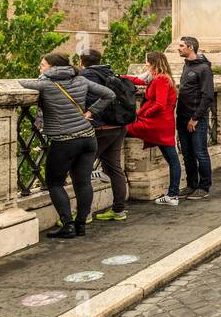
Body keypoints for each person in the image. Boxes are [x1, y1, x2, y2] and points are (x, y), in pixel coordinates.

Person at [20, 52, 116, 238]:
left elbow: (17, 84)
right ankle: (81, 224)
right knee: (83, 182)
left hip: (64, 140)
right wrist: (90, 112)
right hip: (88, 137)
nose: (40, 68)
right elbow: (109, 94)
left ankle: (68, 224)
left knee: (54, 183)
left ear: (52, 67)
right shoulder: (80, 79)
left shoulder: (45, 84)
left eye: (42, 65)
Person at [79, 48, 135, 222]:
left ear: (82, 62)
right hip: (118, 126)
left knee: (82, 169)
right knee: (114, 168)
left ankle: (84, 214)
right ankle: (118, 210)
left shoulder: (85, 77)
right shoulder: (110, 73)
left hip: (99, 127)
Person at [125, 52, 181, 206]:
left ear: (154, 63)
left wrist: (141, 115)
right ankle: (173, 194)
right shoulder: (159, 78)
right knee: (172, 158)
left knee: (121, 130)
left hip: (157, 124)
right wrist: (121, 77)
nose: (145, 64)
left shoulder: (161, 79)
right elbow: (138, 80)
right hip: (163, 124)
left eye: (147, 62)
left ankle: (173, 194)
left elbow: (160, 104)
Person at [176, 36, 215, 199]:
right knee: (187, 153)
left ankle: (204, 187)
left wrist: (195, 118)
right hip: (182, 116)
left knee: (200, 153)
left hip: (196, 118)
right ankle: (191, 185)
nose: (178, 48)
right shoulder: (187, 66)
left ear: (190, 47)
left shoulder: (204, 69)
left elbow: (207, 96)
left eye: (181, 46)